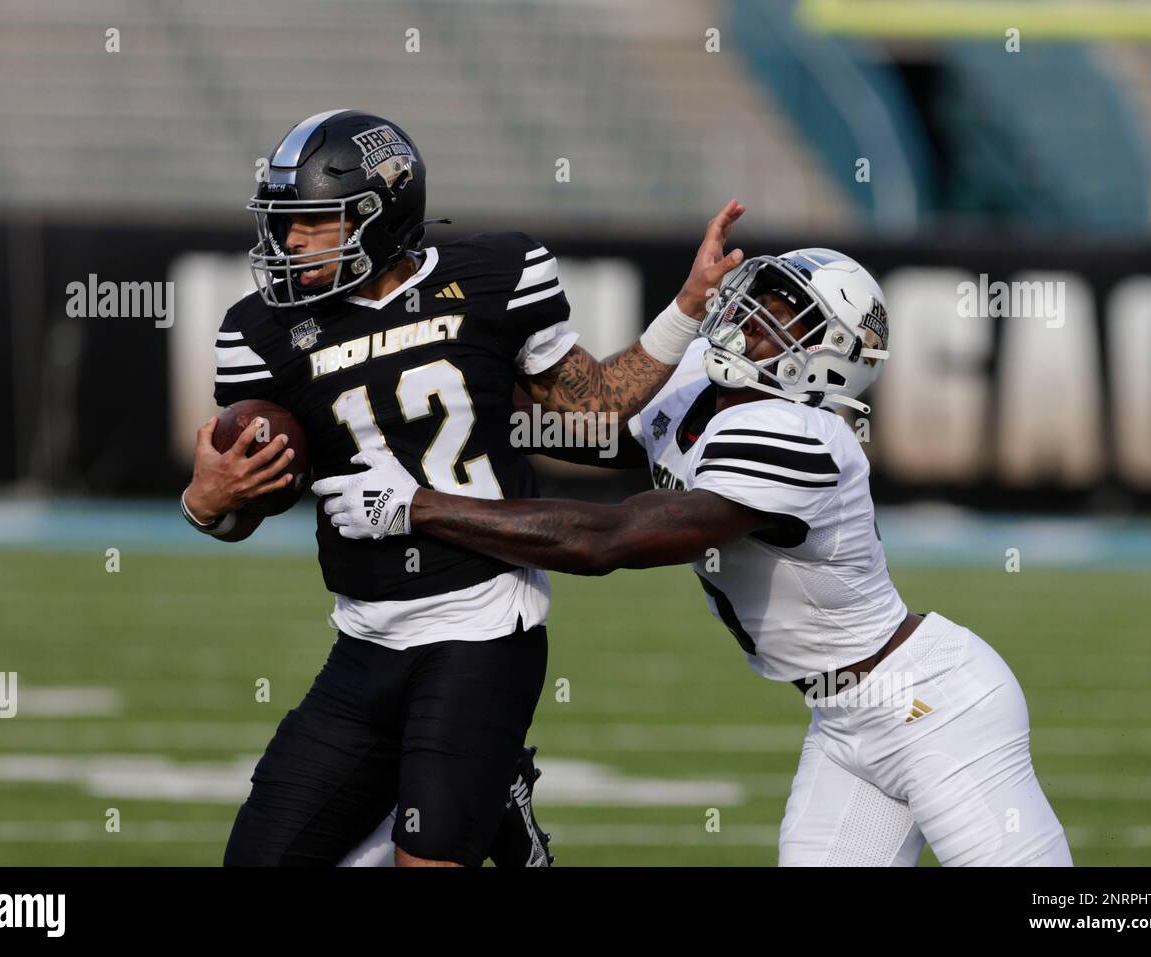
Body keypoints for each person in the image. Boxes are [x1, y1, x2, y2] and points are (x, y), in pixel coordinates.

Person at [323, 248, 1074, 866]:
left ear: (830, 359)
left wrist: (418, 506)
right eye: (764, 297)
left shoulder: (800, 435)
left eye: (786, 316)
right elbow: (567, 428)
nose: (754, 318)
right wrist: (394, 411)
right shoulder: (698, 391)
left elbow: (608, 539)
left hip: (930, 705)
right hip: (843, 722)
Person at [179, 108, 746, 866]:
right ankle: (496, 798)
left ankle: (490, 799)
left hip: (483, 624)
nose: (288, 243)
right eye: (284, 223)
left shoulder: (491, 274)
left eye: (313, 222)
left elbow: (594, 402)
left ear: (378, 214)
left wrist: (686, 309)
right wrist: (207, 506)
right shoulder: (261, 331)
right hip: (364, 635)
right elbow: (246, 506)